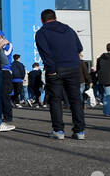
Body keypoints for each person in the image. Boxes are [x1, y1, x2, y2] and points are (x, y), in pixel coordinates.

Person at [34, 8, 86, 140]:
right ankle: (79, 131)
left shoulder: (42, 33)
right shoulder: (68, 29)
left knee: (55, 100)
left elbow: (44, 53)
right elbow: (79, 47)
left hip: (55, 69)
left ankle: (58, 130)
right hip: (73, 67)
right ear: (55, 17)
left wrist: (51, 70)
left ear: (42, 20)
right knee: (75, 100)